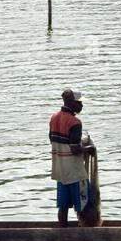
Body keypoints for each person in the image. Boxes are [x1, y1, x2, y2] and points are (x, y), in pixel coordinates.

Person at [48, 89, 96, 226]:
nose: (82, 106)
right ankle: (90, 233)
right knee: (86, 204)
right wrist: (89, 148)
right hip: (75, 172)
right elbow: (75, 149)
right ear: (72, 103)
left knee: (63, 207)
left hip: (60, 170)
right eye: (79, 103)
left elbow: (55, 141)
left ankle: (63, 233)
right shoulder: (75, 122)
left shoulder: (54, 118)